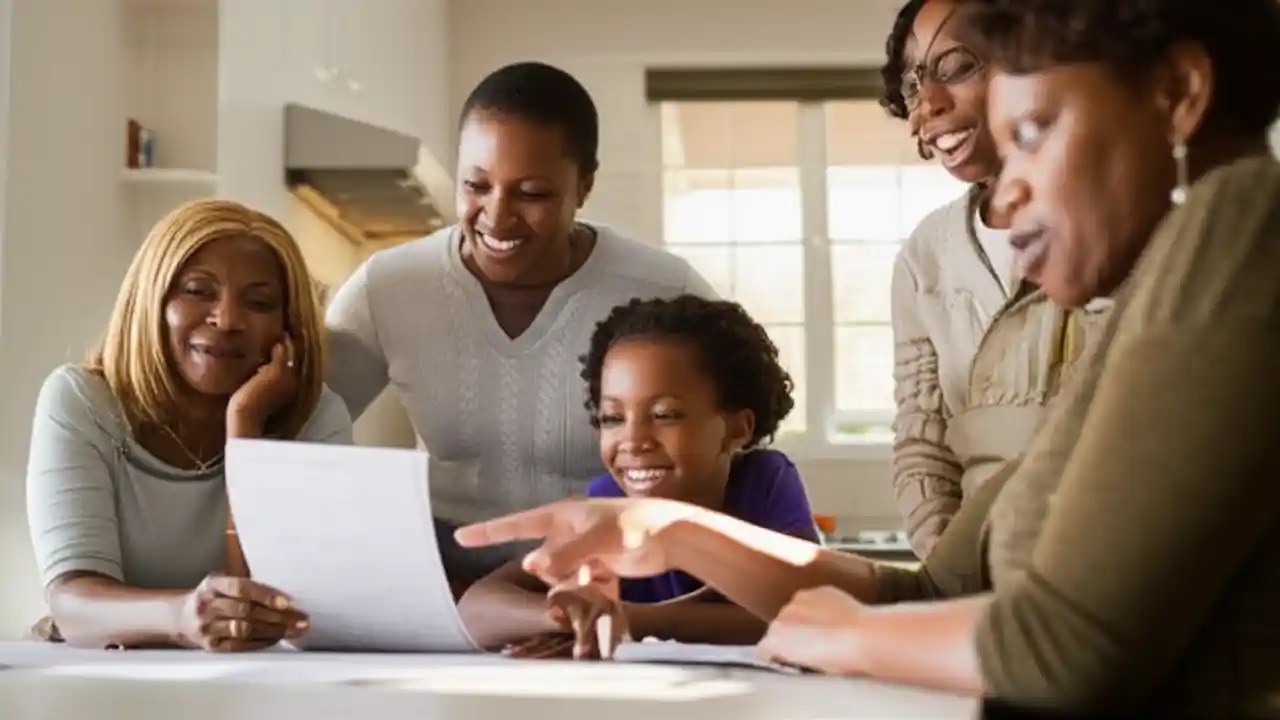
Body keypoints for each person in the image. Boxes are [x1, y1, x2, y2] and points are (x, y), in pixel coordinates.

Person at [457, 0, 1280, 714]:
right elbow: (926, 592)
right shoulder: (1147, 310)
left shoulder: (1243, 225)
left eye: (1030, 134)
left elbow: (1067, 651)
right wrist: (671, 528)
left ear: (1177, 94)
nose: (1005, 189)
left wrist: (848, 639)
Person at [324, 61, 712, 590]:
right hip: (439, 578)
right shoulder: (388, 287)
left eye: (531, 193)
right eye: (476, 186)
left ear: (584, 186)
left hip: (605, 570)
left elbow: (733, 445)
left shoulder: (664, 289)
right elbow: (303, 431)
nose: (497, 217)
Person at [26, 199, 353, 652]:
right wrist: (182, 616)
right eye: (199, 291)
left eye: (258, 303)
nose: (227, 319)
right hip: (107, 680)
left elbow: (262, 618)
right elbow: (72, 602)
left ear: (289, 329)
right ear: (153, 301)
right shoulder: (81, 402)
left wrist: (244, 425)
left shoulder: (318, 419)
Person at [457, 296, 817, 656]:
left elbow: (811, 611)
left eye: (665, 415)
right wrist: (569, 617)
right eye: (612, 419)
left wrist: (636, 619)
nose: (633, 440)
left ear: (737, 428)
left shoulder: (765, 484)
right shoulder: (606, 506)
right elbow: (475, 610)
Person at [882, 0, 1109, 558]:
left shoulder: (1116, 225)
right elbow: (922, 437)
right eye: (912, 85)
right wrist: (947, 561)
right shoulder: (925, 255)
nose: (926, 107)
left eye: (957, 67)